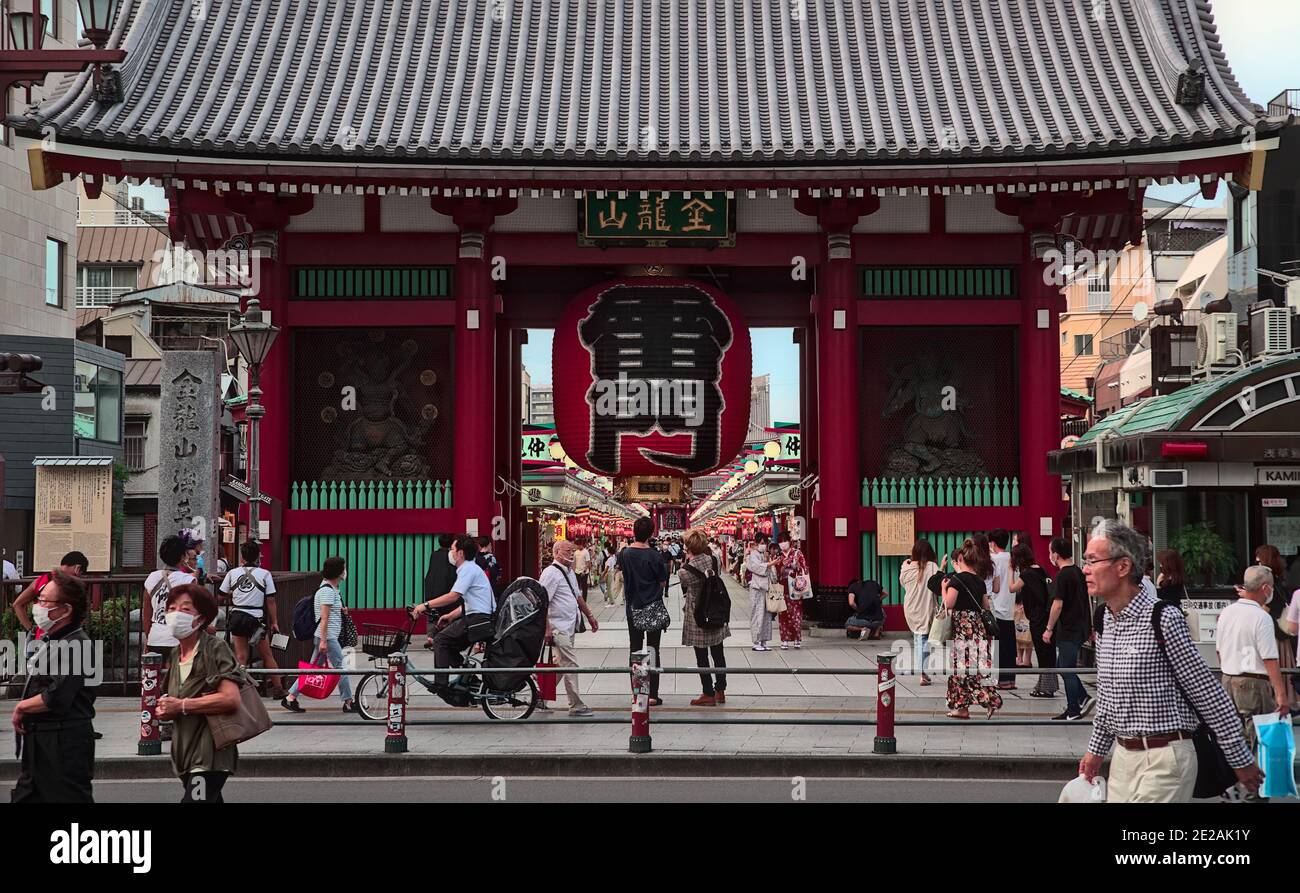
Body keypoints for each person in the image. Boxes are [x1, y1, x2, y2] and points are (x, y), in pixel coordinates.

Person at [1079, 519, 1262, 803]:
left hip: (1166, 758)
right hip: (1123, 758)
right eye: (1085, 561)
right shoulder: (1104, 618)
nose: (1086, 569)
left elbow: (1207, 692)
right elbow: (1107, 695)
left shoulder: (1162, 618)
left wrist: (1238, 757)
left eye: (1092, 560)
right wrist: (1095, 751)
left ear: (1123, 567)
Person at [9, 572, 97, 803]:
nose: (38, 606)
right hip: (40, 741)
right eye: (38, 599)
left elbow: (57, 696)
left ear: (66, 610)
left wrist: (22, 707)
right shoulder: (54, 640)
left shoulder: (77, 644)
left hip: (63, 743)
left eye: (45, 601)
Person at [153, 583, 243, 802]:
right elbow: (173, 696)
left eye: (185, 610)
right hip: (185, 752)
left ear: (201, 619)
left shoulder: (214, 648)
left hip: (210, 753)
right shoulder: (175, 654)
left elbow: (231, 698)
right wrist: (165, 708)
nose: (175, 615)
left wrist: (182, 706)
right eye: (171, 608)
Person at [1216, 565, 1292, 800]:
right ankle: (1253, 794)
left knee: (1232, 738)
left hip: (1228, 678)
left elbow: (1219, 650)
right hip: (1254, 683)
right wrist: (1281, 694)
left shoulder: (1228, 612)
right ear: (1265, 588)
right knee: (1256, 741)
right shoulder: (1261, 616)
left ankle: (1231, 790)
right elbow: (1270, 659)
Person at [411, 535, 497, 695]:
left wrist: (425, 605)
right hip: (479, 617)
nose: (450, 552)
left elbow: (453, 596)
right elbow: (471, 601)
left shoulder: (467, 569)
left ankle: (441, 684)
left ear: (461, 553)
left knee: (440, 640)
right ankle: (468, 676)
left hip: (477, 620)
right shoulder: (472, 568)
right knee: (448, 645)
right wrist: (451, 615)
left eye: (452, 549)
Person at [282, 556, 357, 713]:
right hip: (327, 637)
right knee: (341, 667)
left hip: (326, 636)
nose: (345, 571)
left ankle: (290, 697)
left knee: (312, 668)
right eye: (343, 568)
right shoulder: (327, 591)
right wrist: (324, 641)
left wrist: (341, 611)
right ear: (338, 572)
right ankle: (348, 701)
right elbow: (324, 617)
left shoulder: (330, 589)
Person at [937, 540, 1002, 720]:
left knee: (959, 670)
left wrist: (944, 589)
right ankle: (989, 700)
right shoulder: (979, 581)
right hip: (978, 628)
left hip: (962, 630)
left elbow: (948, 604)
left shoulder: (957, 579)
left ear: (961, 558)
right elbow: (986, 606)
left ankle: (961, 708)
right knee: (980, 666)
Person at [218, 541, 285, 699]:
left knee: (241, 656)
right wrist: (274, 621)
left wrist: (235, 595)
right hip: (256, 619)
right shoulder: (265, 574)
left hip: (237, 616)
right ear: (258, 557)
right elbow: (270, 600)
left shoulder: (232, 573)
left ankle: (239, 690)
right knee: (267, 655)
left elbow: (221, 595)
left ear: (242, 557)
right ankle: (277, 688)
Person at [540, 539, 599, 716]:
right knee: (571, 663)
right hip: (557, 627)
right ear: (557, 552)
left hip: (569, 625)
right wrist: (547, 629)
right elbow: (542, 602)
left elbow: (577, 595)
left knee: (560, 665)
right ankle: (576, 705)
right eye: (567, 551)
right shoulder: (550, 573)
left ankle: (540, 697)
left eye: (572, 550)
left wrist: (589, 616)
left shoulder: (569, 571)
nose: (571, 553)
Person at [679, 529, 730, 706]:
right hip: (715, 610)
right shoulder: (714, 560)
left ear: (689, 547)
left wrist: (687, 562)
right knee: (718, 652)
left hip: (698, 615)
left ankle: (707, 692)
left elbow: (685, 586)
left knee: (702, 655)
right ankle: (720, 690)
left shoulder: (685, 571)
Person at [620, 518, 669, 704]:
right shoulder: (655, 555)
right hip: (653, 607)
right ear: (651, 533)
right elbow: (663, 581)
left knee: (636, 648)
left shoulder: (624, 554)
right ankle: (653, 695)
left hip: (634, 607)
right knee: (653, 648)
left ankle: (639, 691)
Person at [1045, 537, 1094, 721]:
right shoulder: (1078, 572)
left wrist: (1049, 628)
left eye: (1050, 552)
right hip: (1079, 627)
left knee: (1066, 669)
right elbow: (1087, 600)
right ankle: (1082, 698)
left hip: (1068, 629)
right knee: (1062, 666)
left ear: (1056, 554)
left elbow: (1057, 605)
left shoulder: (1062, 576)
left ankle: (1074, 709)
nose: (1050, 556)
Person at [12, 551, 89, 651]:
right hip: (64, 639)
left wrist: (31, 630)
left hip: (41, 639)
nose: (40, 605)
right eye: (41, 600)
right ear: (77, 568)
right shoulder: (74, 588)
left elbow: (18, 604)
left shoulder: (41, 580)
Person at [1010, 543, 1056, 698]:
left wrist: (1011, 572)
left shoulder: (1026, 574)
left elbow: (1012, 588)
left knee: (1043, 654)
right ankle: (1046, 685)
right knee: (1047, 652)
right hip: (1046, 615)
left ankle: (1046, 688)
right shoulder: (1041, 569)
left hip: (1037, 617)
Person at [1255, 544, 1296, 709]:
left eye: (1260, 562)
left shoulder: (1268, 585)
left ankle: (1277, 701)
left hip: (1273, 635)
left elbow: (1271, 608)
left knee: (1273, 668)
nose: (1257, 566)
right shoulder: (1278, 581)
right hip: (1279, 633)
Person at [144, 536, 197, 655]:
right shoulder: (187, 580)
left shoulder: (152, 577)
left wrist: (148, 637)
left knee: (157, 673)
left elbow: (147, 613)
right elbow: (193, 612)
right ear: (183, 557)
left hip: (155, 637)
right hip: (178, 639)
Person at [900, 539, 939, 685]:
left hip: (910, 605)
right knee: (923, 638)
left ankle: (923, 671)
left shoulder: (906, 566)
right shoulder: (932, 567)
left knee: (918, 637)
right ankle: (923, 672)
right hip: (925, 605)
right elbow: (937, 584)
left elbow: (903, 583)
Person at [987, 529, 1016, 690]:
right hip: (1010, 606)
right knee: (1010, 646)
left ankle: (1002, 680)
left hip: (997, 607)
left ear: (992, 543)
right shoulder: (1013, 558)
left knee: (999, 646)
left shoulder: (992, 560)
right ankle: (1011, 679)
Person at [421, 534, 459, 649]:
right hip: (444, 587)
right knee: (447, 612)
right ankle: (445, 636)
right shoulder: (451, 556)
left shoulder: (434, 554)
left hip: (431, 587)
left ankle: (430, 637)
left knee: (432, 612)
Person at [745, 533, 780, 652]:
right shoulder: (752, 555)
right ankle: (756, 641)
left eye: (765, 543)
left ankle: (764, 640)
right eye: (761, 543)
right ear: (756, 543)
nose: (763, 545)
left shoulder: (766, 555)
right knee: (757, 613)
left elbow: (771, 572)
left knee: (766, 615)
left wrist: (769, 561)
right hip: (757, 588)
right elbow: (756, 568)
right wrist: (770, 563)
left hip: (766, 587)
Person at [776, 532, 807, 649]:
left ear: (790, 541)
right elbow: (774, 573)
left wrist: (798, 566)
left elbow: (805, 569)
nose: (783, 544)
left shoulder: (797, 554)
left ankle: (797, 638)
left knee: (796, 614)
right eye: (780, 541)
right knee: (783, 614)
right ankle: (784, 639)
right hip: (782, 588)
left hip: (795, 588)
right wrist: (781, 568)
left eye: (785, 541)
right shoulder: (778, 556)